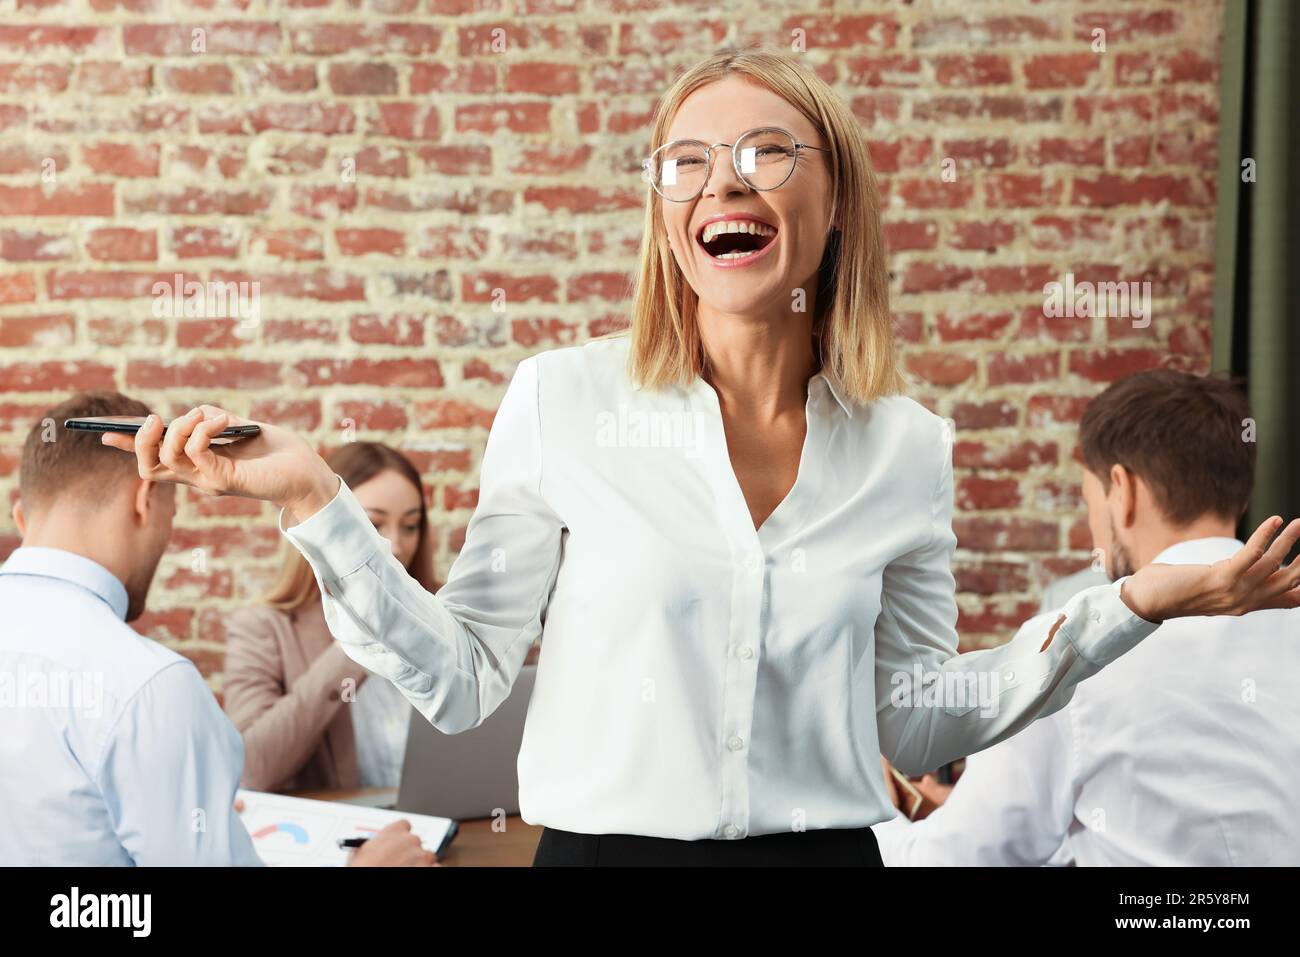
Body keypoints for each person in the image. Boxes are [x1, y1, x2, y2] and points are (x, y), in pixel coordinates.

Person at [102, 49, 1300, 867]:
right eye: (687, 161)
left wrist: (1131, 606)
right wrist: (315, 499)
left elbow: (917, 723)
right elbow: (462, 680)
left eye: (769, 153)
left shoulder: (906, 447)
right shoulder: (563, 401)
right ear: (665, 214)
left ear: (836, 204)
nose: (723, 180)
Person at [874, 371, 1300, 866]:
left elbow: (948, 861)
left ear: (1123, 490)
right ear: (1241, 495)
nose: (1092, 527)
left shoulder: (1074, 650)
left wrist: (876, 806)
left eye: (1088, 501)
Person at [0, 391, 435, 866]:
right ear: (145, 500)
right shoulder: (151, 686)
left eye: (410, 526)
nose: (395, 545)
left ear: (23, 518)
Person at [224, 443, 435, 792]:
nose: (396, 546)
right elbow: (249, 770)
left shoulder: (440, 615)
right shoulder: (265, 627)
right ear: (321, 526)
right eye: (374, 523)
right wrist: (353, 643)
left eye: (410, 526)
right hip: (341, 824)